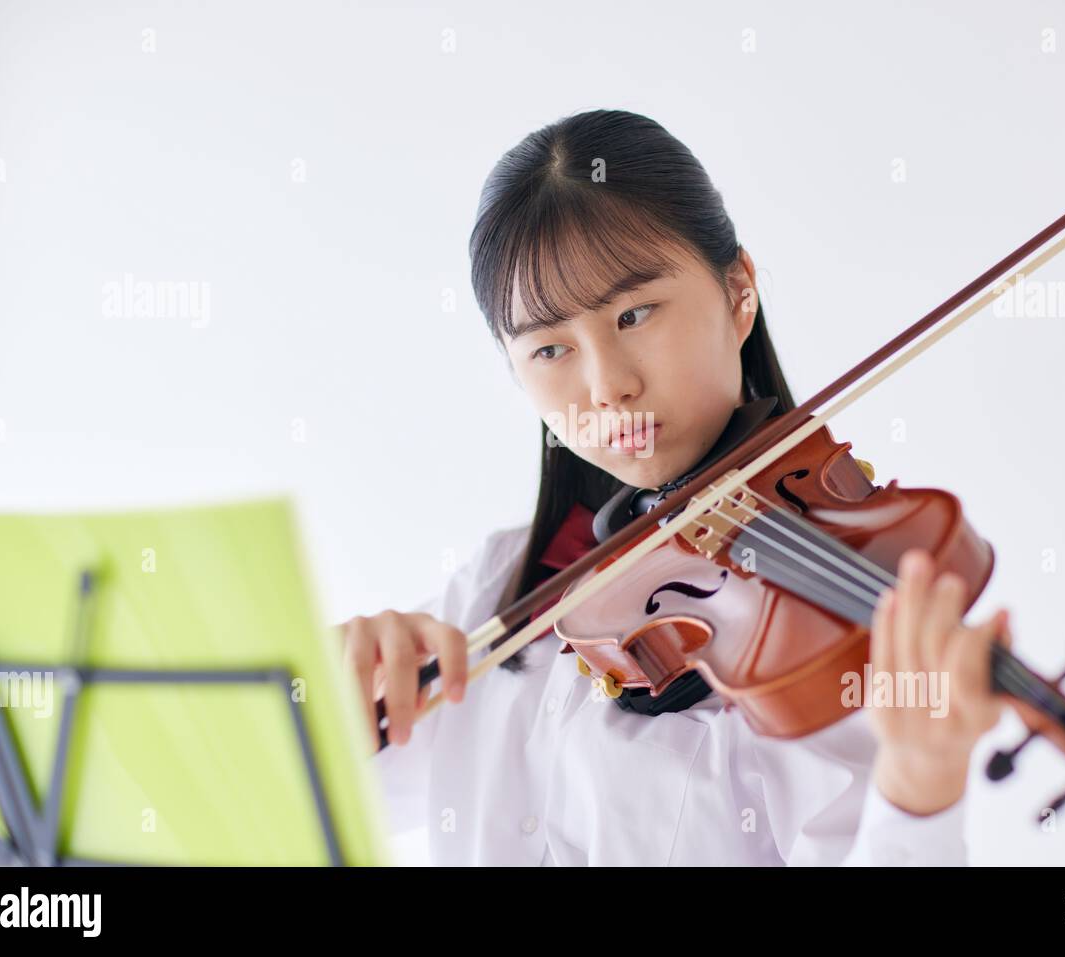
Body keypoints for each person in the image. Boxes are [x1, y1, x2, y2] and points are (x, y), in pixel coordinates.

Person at [340, 109, 1011, 866]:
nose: (608, 386)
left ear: (738, 292)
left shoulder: (814, 629)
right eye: (551, 348)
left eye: (634, 313)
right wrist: (322, 697)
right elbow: (278, 811)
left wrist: (920, 789)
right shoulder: (497, 596)